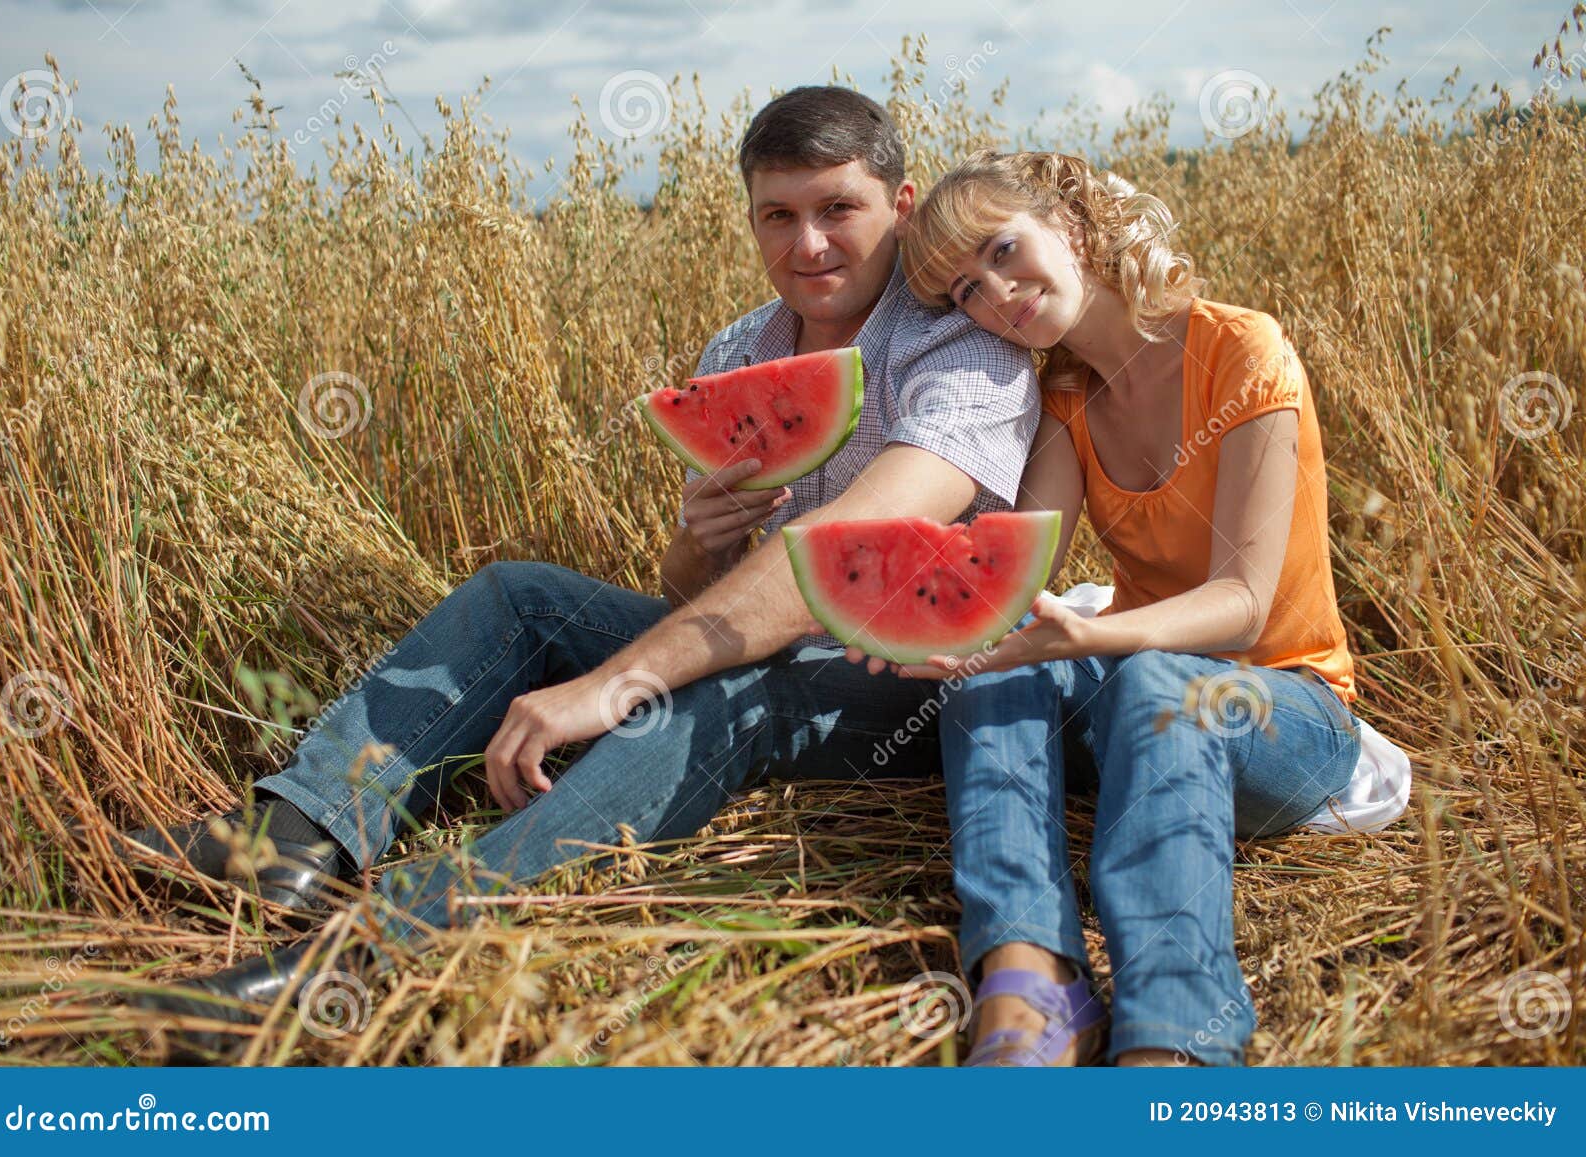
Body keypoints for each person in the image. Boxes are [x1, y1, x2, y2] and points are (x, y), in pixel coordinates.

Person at [118, 87, 1042, 1059]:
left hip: (907, 683)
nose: (807, 244)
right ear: (750, 219)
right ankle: (298, 836)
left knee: (725, 693)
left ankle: (382, 954)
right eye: (779, 215)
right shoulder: (741, 350)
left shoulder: (963, 344)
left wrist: (609, 686)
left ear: (898, 207)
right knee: (518, 594)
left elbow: (838, 555)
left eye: (836, 210)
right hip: (760, 637)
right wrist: (696, 539)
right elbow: (693, 599)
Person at [864, 150, 1369, 1066]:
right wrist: (908, 618)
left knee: (1163, 687)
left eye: (1004, 250)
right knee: (993, 679)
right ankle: (1033, 988)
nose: (996, 294)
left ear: (1074, 227)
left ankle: (1172, 1041)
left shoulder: (1243, 349)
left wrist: (1093, 634)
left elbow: (1245, 607)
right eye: (967, 292)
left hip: (1290, 708)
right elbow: (1020, 571)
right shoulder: (1067, 398)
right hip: (1148, 690)